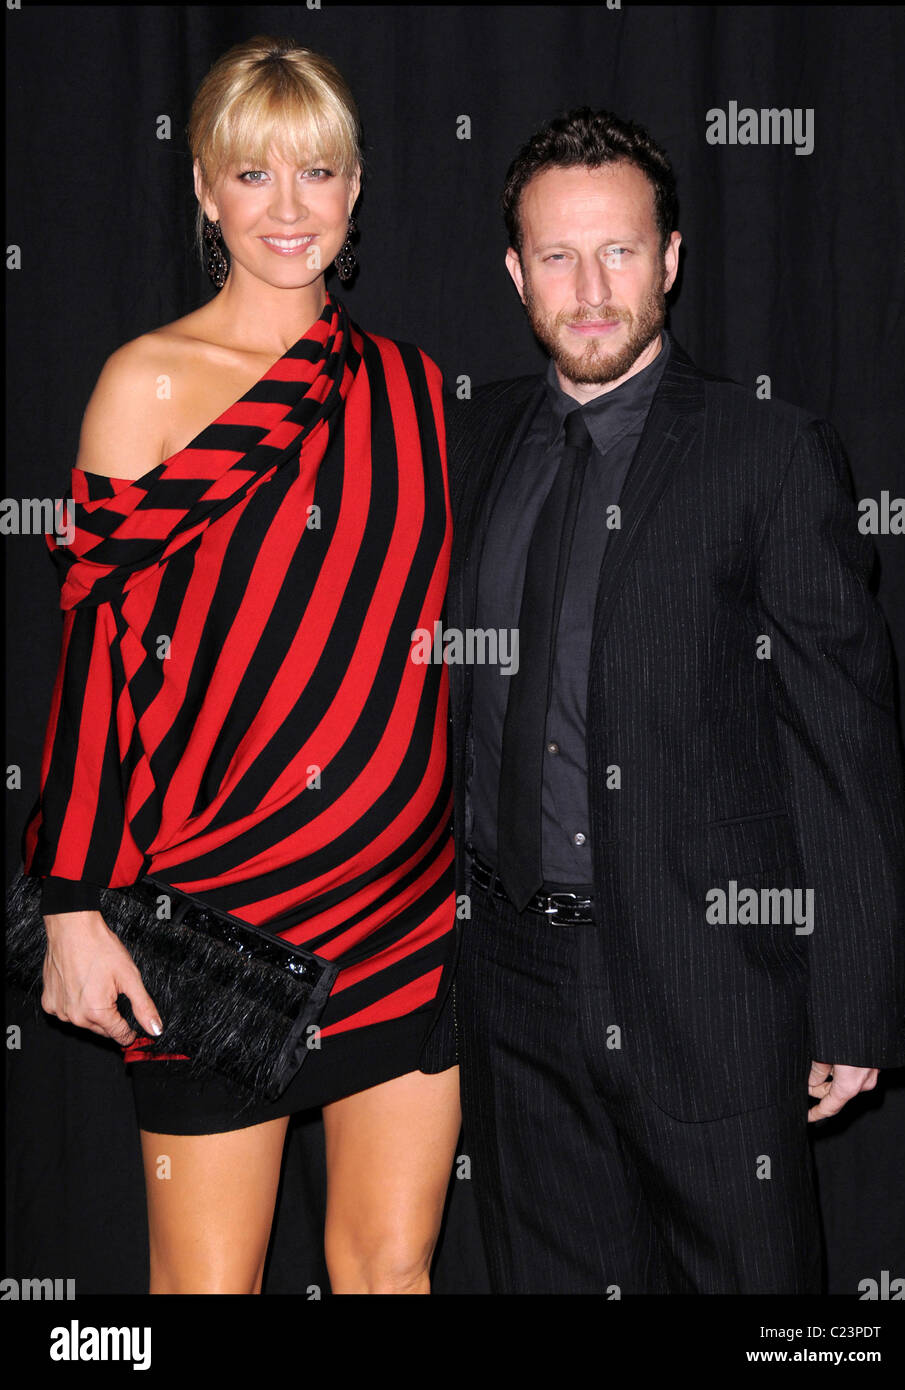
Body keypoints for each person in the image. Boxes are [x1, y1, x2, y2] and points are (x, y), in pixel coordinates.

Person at [442, 107, 905, 1294]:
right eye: (557, 254)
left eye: (618, 251)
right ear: (515, 272)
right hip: (510, 988)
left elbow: (843, 738)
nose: (590, 287)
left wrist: (856, 1005)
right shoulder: (470, 433)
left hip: (709, 990)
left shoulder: (769, 450)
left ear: (670, 257)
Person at [19, 35, 460, 1295]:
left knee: (392, 1270)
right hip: (215, 917)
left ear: (357, 187)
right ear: (205, 190)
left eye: (314, 172)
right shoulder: (144, 385)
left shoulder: (418, 392)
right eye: (252, 175)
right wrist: (67, 902)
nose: (287, 208)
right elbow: (97, 664)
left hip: (402, 906)